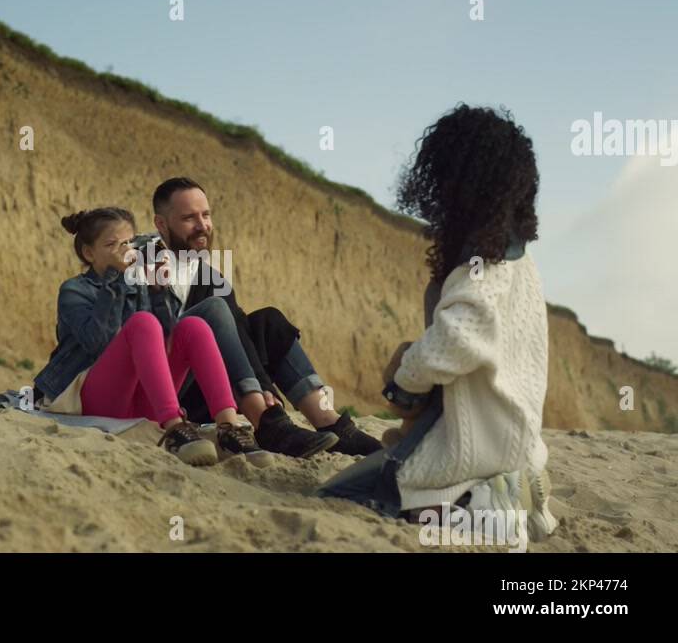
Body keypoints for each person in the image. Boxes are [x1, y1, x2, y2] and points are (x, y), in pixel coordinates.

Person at [320, 104, 558, 543]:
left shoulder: (480, 268)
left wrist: (407, 379)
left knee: (358, 496)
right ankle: (517, 483)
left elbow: (458, 340)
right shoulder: (519, 262)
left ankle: (494, 506)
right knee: (367, 481)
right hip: (512, 433)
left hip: (479, 438)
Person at [144, 177, 382, 458]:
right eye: (188, 218)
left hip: (217, 386)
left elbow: (238, 333)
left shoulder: (209, 277)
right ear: (161, 225)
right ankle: (267, 424)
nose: (202, 225)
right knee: (215, 313)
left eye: (205, 215)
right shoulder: (143, 265)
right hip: (172, 388)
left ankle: (330, 422)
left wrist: (265, 386)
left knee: (268, 321)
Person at [33, 207, 274, 468]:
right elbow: (98, 343)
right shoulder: (74, 290)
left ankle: (229, 428)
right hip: (90, 398)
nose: (124, 251)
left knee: (193, 326)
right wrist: (115, 281)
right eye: (112, 244)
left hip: (141, 402)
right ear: (89, 253)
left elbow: (167, 338)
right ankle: (174, 429)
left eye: (128, 243)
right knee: (142, 323)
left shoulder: (138, 280)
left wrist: (159, 289)